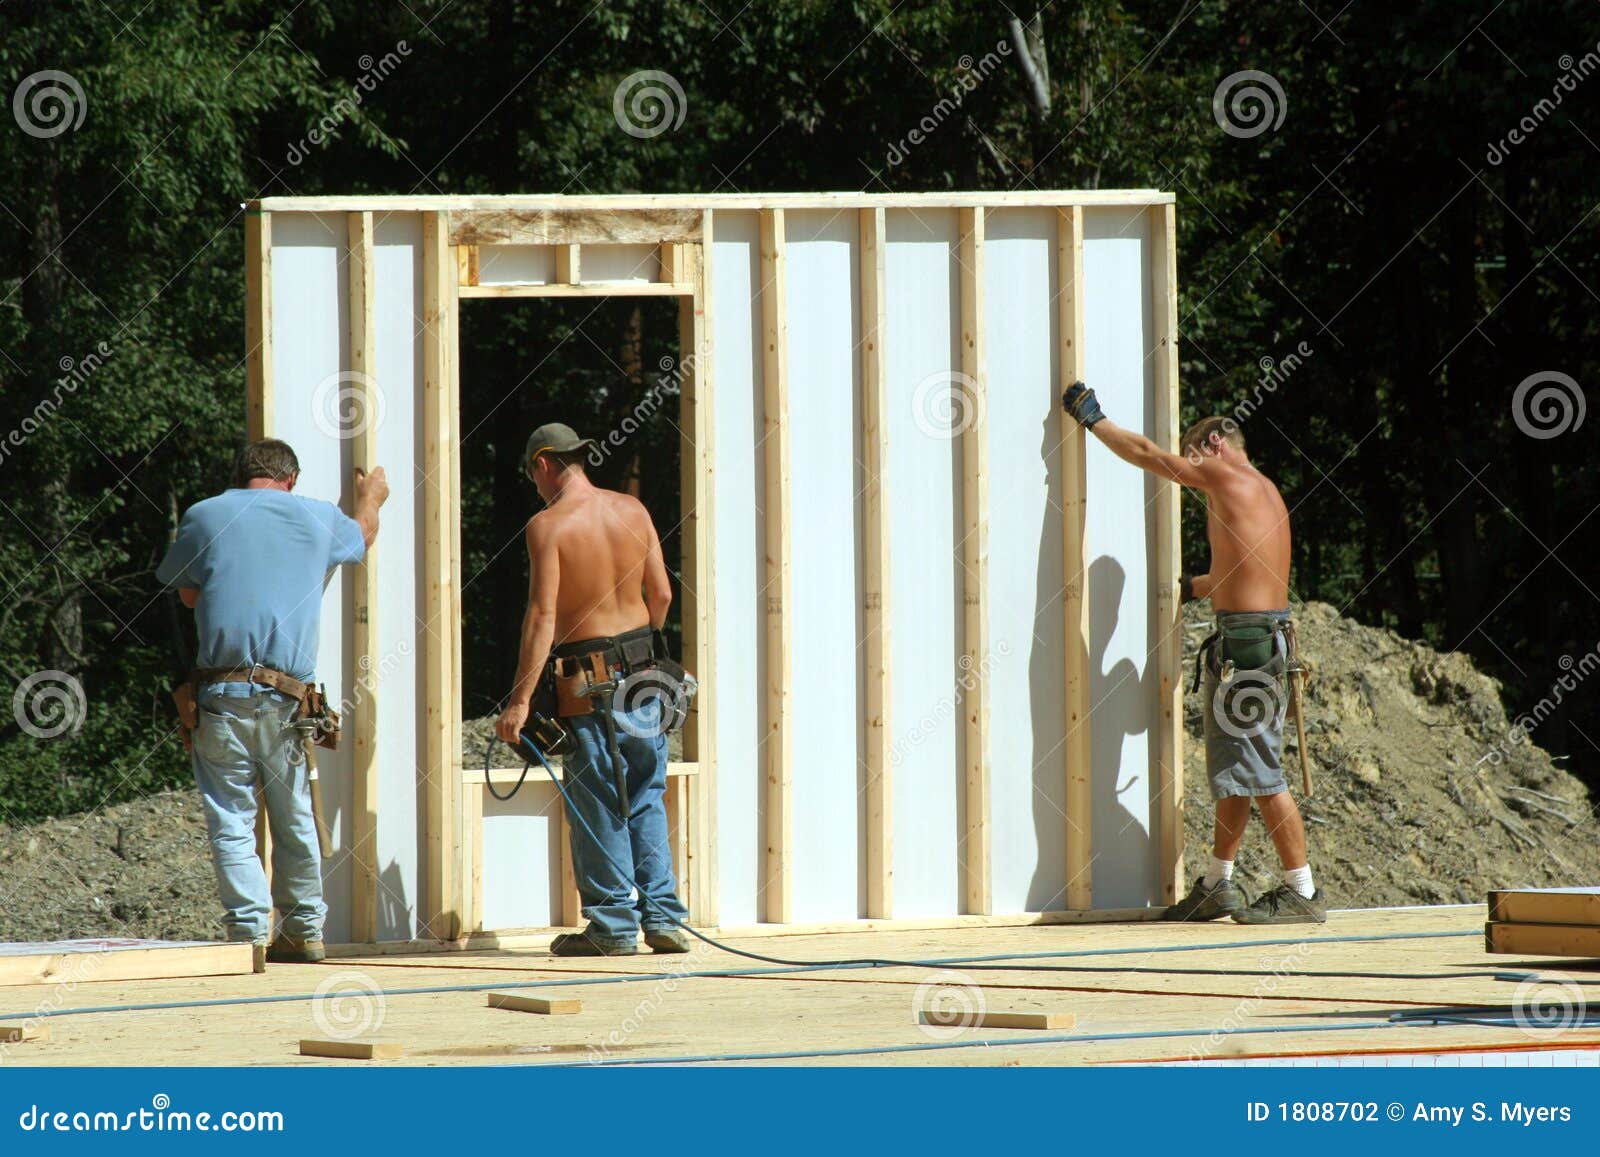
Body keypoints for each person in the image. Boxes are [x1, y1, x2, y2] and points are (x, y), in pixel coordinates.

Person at [1062, 385, 1325, 924]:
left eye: (1194, 453)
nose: (1190, 465)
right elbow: (1242, 569)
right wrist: (1194, 587)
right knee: (1238, 770)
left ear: (1214, 443)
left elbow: (1149, 457)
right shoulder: (1264, 490)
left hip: (1248, 644)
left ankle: (1302, 891)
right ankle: (1215, 884)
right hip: (1261, 636)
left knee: (1261, 770)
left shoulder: (1225, 474)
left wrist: (1095, 421)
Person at [158, 439, 388, 968]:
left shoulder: (204, 514)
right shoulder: (316, 517)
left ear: (241, 476)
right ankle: (304, 932)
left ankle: (247, 937)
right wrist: (371, 496)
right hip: (288, 699)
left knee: (230, 818)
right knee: (294, 817)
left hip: (219, 694)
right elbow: (363, 536)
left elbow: (187, 591)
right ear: (291, 479)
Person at [495, 422, 692, 956]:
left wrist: (518, 702)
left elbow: (542, 616)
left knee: (601, 801)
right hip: (647, 678)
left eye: (532, 474)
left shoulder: (548, 525)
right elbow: (663, 595)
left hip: (589, 685)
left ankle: (612, 926)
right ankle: (665, 919)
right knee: (647, 795)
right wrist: (636, 648)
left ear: (542, 464)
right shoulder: (632, 510)